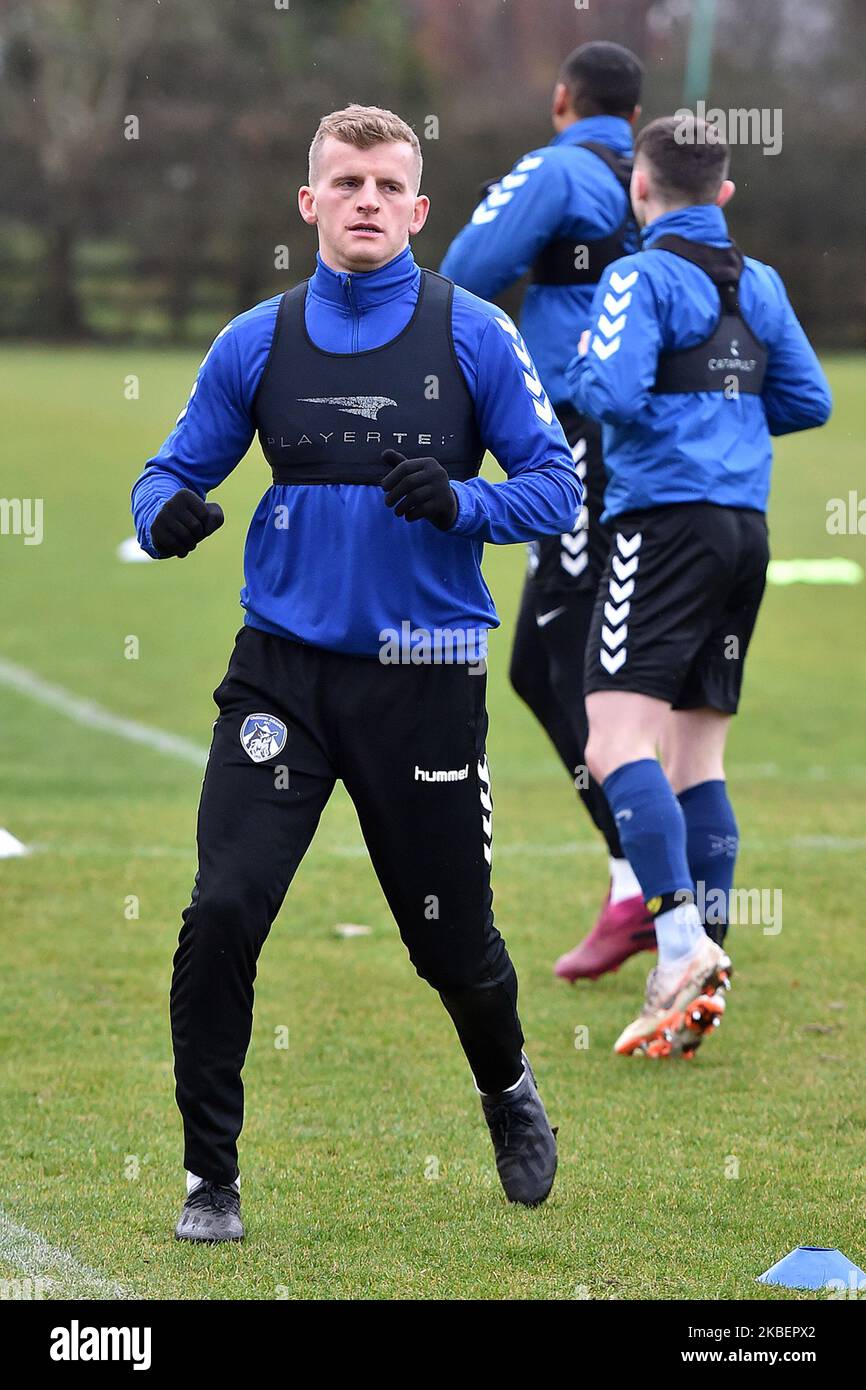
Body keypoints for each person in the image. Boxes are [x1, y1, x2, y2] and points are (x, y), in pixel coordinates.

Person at [131, 105, 583, 1240]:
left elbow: (555, 487)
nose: (367, 201)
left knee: (451, 944)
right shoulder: (256, 340)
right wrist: (166, 512)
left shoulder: (474, 333)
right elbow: (166, 469)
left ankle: (507, 1091)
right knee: (223, 906)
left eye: (388, 184)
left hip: (423, 674)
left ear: (419, 209)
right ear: (310, 203)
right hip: (280, 676)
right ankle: (209, 1176)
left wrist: (465, 500)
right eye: (346, 183)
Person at [567, 115, 832, 1057]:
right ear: (723, 194)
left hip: (661, 526)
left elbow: (610, 393)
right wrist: (723, 414)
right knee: (696, 760)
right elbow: (808, 400)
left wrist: (610, 382)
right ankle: (702, 958)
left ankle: (679, 945)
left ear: (641, 191)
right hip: (744, 531)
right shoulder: (758, 282)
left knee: (612, 741)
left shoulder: (636, 276)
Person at [441, 40, 657, 983]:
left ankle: (649, 886)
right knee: (626, 673)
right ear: (637, 118)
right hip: (659, 454)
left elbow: (466, 266)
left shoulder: (558, 166)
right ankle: (664, 894)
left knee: (548, 660)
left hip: (574, 434)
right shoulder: (658, 179)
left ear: (562, 98)